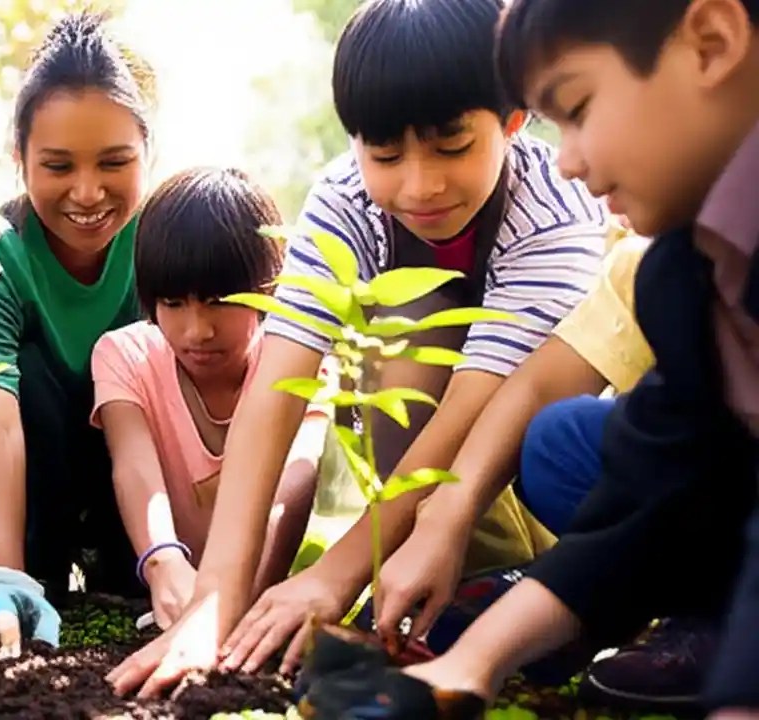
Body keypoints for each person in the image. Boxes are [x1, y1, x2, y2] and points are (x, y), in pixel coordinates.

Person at [110, 0, 611, 697]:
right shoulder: (344, 202)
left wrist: (336, 574)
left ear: (513, 119)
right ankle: (456, 589)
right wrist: (216, 599)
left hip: (529, 456)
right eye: (385, 154)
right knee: (396, 334)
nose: (419, 184)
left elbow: (484, 397)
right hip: (423, 467)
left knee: (421, 336)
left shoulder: (555, 208)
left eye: (452, 145)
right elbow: (278, 387)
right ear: (355, 143)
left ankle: (520, 579)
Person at [297, 0, 759, 717]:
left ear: (711, 41)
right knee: (577, 446)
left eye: (577, 107)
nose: (568, 159)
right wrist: (470, 668)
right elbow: (659, 478)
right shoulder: (684, 278)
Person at [0, 11, 156, 655]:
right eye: (58, 165)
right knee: (34, 375)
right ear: (20, 159)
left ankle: (133, 573)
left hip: (148, 497)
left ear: (150, 154)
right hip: (41, 477)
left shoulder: (168, 244)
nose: (87, 192)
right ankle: (33, 578)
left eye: (114, 162)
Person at [90, 167, 325, 631]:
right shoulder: (125, 355)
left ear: (268, 290)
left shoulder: (298, 360)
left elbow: (293, 481)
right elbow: (134, 468)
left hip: (258, 594)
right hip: (148, 588)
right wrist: (163, 562)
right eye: (174, 304)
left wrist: (235, 603)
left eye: (220, 300)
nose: (198, 330)